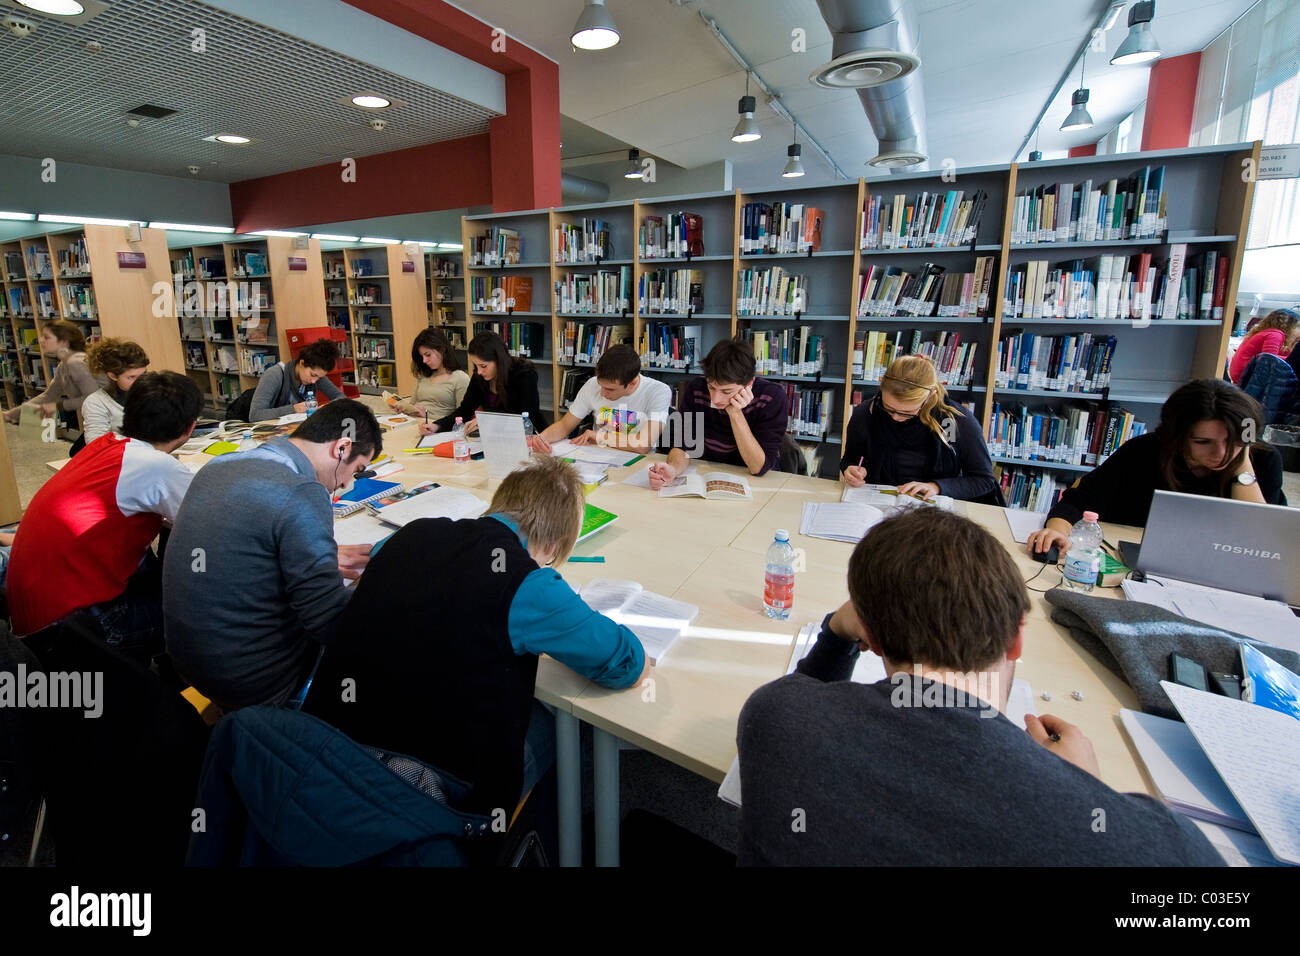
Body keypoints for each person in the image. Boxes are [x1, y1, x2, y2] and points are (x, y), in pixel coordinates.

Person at [736, 507, 1222, 866]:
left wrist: (837, 633)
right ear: (1016, 640)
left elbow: (803, 692)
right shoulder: (1162, 848)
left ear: (874, 639)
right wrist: (1083, 789)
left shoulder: (773, 716)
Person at [304, 455, 646, 816]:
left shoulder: (411, 533)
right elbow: (625, 663)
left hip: (324, 749)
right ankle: (545, 830)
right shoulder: (531, 586)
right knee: (567, 721)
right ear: (557, 542)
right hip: (427, 788)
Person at [163, 399, 381, 711]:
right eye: (356, 470)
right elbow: (329, 621)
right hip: (256, 680)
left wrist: (315, 556)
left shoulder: (219, 465)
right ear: (342, 448)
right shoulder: (302, 491)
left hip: (189, 662)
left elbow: (244, 546)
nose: (346, 483)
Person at [6, 372, 201, 653]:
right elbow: (207, 523)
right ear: (190, 427)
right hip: (71, 630)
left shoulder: (103, 444)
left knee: (155, 565)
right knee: (203, 605)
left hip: (33, 617)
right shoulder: (156, 467)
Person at [1028, 378, 1286, 557]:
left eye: (1232, 440)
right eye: (1202, 442)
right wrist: (1056, 531)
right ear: (1177, 437)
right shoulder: (1145, 451)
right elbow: (1079, 500)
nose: (1220, 453)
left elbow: (1262, 544)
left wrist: (1242, 466)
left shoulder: (1262, 460)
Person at [839, 354, 998, 502]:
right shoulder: (867, 413)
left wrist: (936, 487)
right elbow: (850, 458)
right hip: (878, 501)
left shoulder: (956, 421)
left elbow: (984, 480)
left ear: (930, 395)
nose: (895, 417)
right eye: (888, 408)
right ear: (881, 386)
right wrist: (850, 470)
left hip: (931, 507)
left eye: (907, 413)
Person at [647, 338, 786, 488]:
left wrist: (735, 413)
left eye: (727, 391)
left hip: (755, 482)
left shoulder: (771, 397)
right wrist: (673, 469)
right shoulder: (697, 389)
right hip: (708, 473)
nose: (716, 399)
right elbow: (683, 445)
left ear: (749, 384)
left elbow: (758, 467)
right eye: (711, 387)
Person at [531, 344, 671, 455]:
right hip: (597, 456)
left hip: (637, 459)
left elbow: (643, 445)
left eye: (610, 389)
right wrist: (540, 439)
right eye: (601, 386)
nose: (603, 393)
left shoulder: (659, 391)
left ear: (632, 383)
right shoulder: (592, 384)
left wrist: (598, 436)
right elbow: (564, 426)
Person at [422, 330, 547, 436]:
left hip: (531, 438)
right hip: (496, 439)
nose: (479, 372)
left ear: (499, 361)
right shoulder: (480, 376)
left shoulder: (524, 374)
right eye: (476, 366)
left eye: (483, 366)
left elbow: (526, 416)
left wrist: (487, 420)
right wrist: (436, 426)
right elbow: (464, 411)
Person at [3, 320, 101, 427]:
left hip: (109, 418)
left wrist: (59, 405)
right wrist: (10, 415)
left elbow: (92, 398)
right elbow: (48, 396)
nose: (40, 340)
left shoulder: (76, 363)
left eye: (46, 337)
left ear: (64, 342)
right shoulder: (64, 365)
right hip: (99, 417)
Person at [248, 338, 343, 422]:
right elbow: (255, 415)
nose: (314, 381)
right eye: (313, 375)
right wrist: (293, 409)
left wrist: (327, 408)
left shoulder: (317, 377)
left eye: (319, 377)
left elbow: (340, 397)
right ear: (302, 363)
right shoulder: (274, 375)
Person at [389, 327, 470, 423]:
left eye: (428, 355)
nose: (424, 361)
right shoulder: (423, 375)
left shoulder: (460, 378)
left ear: (442, 350)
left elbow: (462, 417)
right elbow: (413, 404)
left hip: (438, 426)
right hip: (415, 423)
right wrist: (405, 410)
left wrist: (427, 416)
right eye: (422, 356)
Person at [81, 337, 150, 444]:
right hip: (121, 457)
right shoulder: (96, 402)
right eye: (131, 377)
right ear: (113, 376)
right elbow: (95, 444)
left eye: (144, 374)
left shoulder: (155, 392)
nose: (141, 381)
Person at [1230, 308, 1298, 383]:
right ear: (1290, 327)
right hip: (1245, 376)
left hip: (1239, 373)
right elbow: (1269, 360)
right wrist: (1292, 358)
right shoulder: (1275, 335)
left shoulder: (1265, 332)